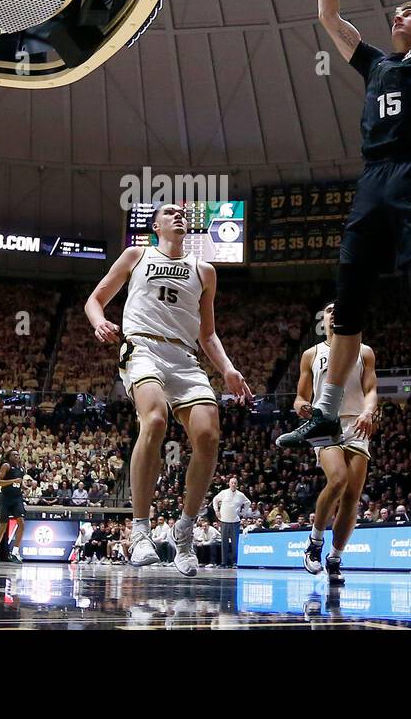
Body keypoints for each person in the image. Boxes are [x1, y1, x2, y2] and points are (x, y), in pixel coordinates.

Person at [276, 0, 411, 470]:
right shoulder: (377, 63)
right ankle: (328, 411)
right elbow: (330, 19)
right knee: (347, 299)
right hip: (373, 179)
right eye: (397, 12)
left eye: (409, 11)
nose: (400, 13)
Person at [85, 202, 251, 577]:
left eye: (181, 213)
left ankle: (185, 529)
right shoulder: (136, 254)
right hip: (143, 346)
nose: (178, 216)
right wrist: (99, 322)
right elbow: (95, 300)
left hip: (185, 357)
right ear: (155, 225)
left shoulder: (204, 270)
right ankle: (141, 530)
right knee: (156, 419)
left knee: (208, 436)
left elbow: (207, 334)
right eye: (170, 213)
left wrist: (228, 369)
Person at [292, 302, 378, 585]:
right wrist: (303, 407)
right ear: (323, 319)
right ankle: (315, 543)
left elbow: (371, 390)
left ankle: (336, 558)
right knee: (338, 480)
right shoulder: (311, 354)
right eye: (329, 309)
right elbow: (300, 398)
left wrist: (368, 412)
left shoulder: (364, 351)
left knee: (353, 497)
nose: (334, 311)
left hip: (356, 423)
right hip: (325, 423)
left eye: (338, 308)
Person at [0, 451, 27, 562]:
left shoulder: (21, 469)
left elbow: (19, 483)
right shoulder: (6, 466)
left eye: (18, 455)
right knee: (3, 525)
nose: (17, 456)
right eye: (14, 455)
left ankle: (15, 552)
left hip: (17, 498)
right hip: (5, 498)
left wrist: (25, 487)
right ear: (9, 457)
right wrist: (13, 481)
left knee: (21, 523)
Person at [210, 478, 251, 570]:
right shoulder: (223, 492)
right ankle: (224, 562)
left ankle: (234, 562)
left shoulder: (241, 495)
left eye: (235, 483)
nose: (233, 484)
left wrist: (243, 512)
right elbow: (215, 499)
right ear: (229, 484)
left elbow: (248, 502)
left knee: (234, 543)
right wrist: (216, 510)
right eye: (232, 483)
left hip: (235, 521)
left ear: (237, 485)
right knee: (224, 543)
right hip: (224, 521)